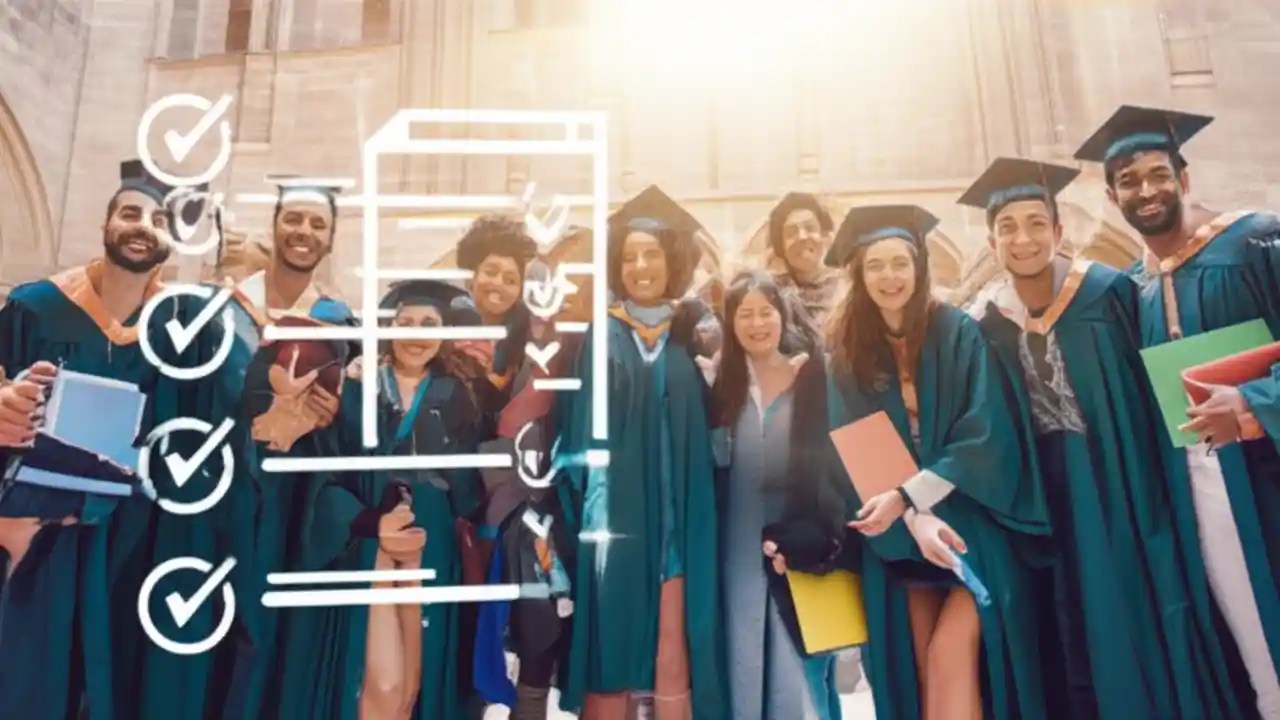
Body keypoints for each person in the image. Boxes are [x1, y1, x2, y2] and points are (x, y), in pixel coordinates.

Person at [960, 157, 1248, 719]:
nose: (1024, 239)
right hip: (1044, 505)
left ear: (1058, 230)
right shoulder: (985, 322)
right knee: (1064, 627)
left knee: (1134, 610)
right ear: (992, 243)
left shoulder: (1110, 292)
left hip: (1125, 488)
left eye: (1036, 223)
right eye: (1009, 228)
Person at [769, 204, 1050, 720]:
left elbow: (984, 433)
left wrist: (913, 498)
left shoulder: (957, 331)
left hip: (972, 521)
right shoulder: (849, 352)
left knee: (950, 657)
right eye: (875, 265)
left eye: (900, 262)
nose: (889, 276)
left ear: (919, 267)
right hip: (899, 533)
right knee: (919, 667)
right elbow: (858, 447)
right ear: (858, 273)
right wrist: (912, 514)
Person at [1075, 105, 1280, 717]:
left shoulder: (1257, 240)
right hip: (1205, 491)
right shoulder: (1134, 288)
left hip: (1268, 471)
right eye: (1129, 182)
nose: (1147, 191)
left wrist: (1253, 401)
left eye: (1158, 174)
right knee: (1252, 644)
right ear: (1113, 200)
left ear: (1184, 180)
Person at [133, 177, 356, 720]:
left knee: (265, 643)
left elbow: (343, 443)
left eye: (317, 224)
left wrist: (326, 420)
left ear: (330, 239)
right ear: (275, 224)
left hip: (287, 506)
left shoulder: (339, 323)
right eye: (294, 219)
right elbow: (179, 401)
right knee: (195, 634)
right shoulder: (214, 311)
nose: (303, 232)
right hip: (211, 496)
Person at [0, 159, 196, 718]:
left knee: (114, 679)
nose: (142, 225)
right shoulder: (36, 306)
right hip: (38, 529)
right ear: (107, 224)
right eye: (130, 212)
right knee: (29, 672)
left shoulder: (182, 332)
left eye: (159, 220)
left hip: (135, 537)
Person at [557, 185, 729, 719]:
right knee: (615, 633)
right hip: (618, 516)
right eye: (629, 256)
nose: (640, 266)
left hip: (683, 514)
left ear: (671, 260)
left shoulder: (693, 333)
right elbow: (582, 429)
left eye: (651, 253)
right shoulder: (601, 333)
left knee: (675, 636)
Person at [278, 279, 482, 720]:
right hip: (368, 543)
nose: (416, 333)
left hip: (431, 543)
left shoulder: (457, 398)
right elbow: (324, 474)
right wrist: (364, 521)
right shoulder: (356, 391)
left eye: (429, 324)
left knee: (416, 677)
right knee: (376, 677)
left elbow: (467, 490)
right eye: (405, 322)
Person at [707, 269, 839, 720]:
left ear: (782, 317)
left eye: (766, 312)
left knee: (794, 655)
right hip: (736, 539)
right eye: (745, 314)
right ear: (731, 321)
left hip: (796, 533)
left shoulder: (810, 376)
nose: (757, 323)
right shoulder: (718, 383)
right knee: (740, 645)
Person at [766, 193, 843, 326]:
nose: (802, 237)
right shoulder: (771, 295)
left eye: (810, 228)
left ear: (824, 236)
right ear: (781, 247)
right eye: (791, 232)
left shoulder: (846, 289)